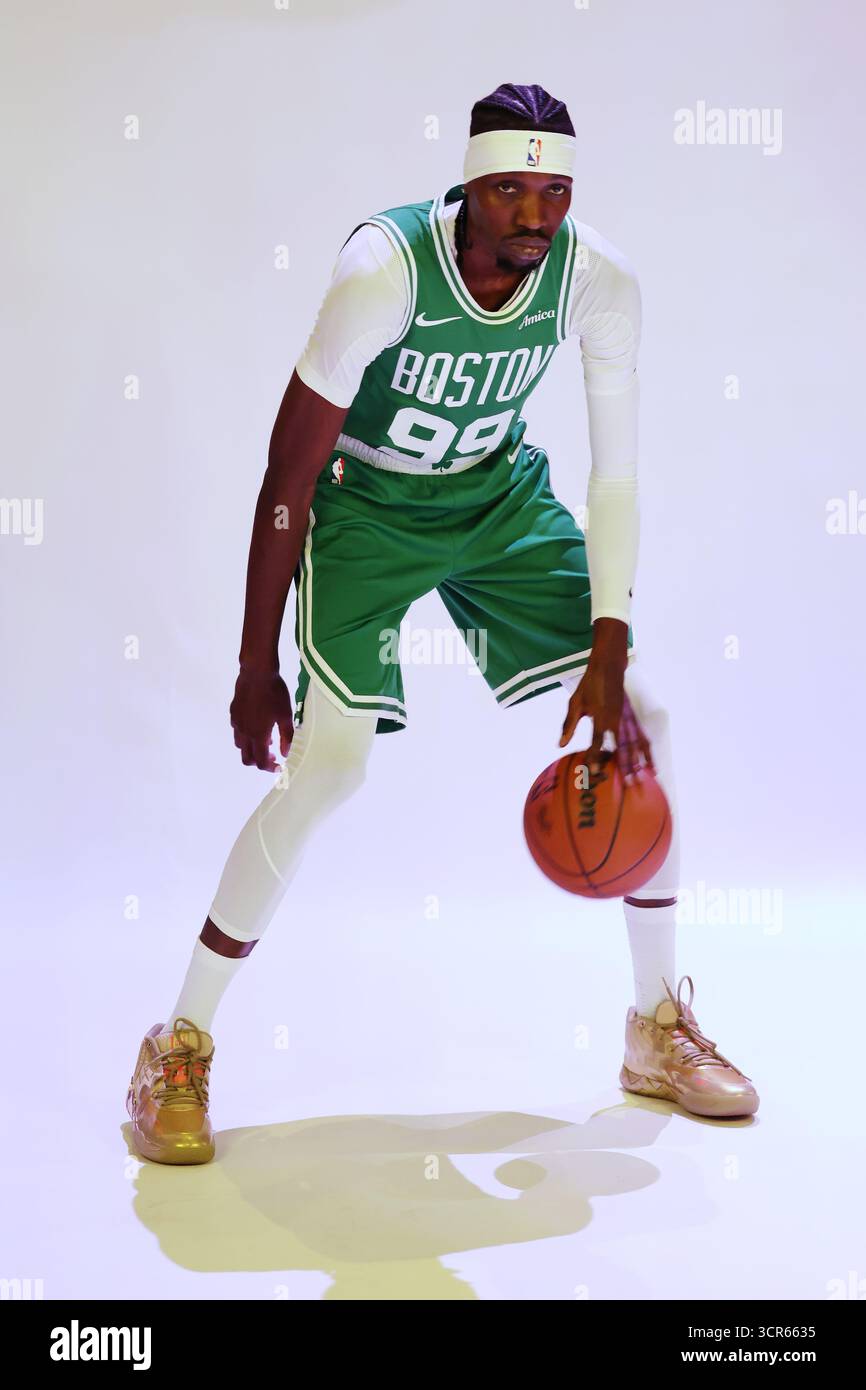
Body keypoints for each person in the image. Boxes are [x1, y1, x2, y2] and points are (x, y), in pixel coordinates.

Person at [126, 82, 759, 1166]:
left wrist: (607, 643)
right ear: (466, 186)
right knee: (328, 770)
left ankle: (654, 1026)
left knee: (643, 713)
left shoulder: (596, 279)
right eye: (508, 188)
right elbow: (290, 468)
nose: (530, 213)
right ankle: (175, 1040)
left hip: (496, 497)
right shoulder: (383, 270)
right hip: (367, 503)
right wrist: (251, 659)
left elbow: (617, 474)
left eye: (551, 191)